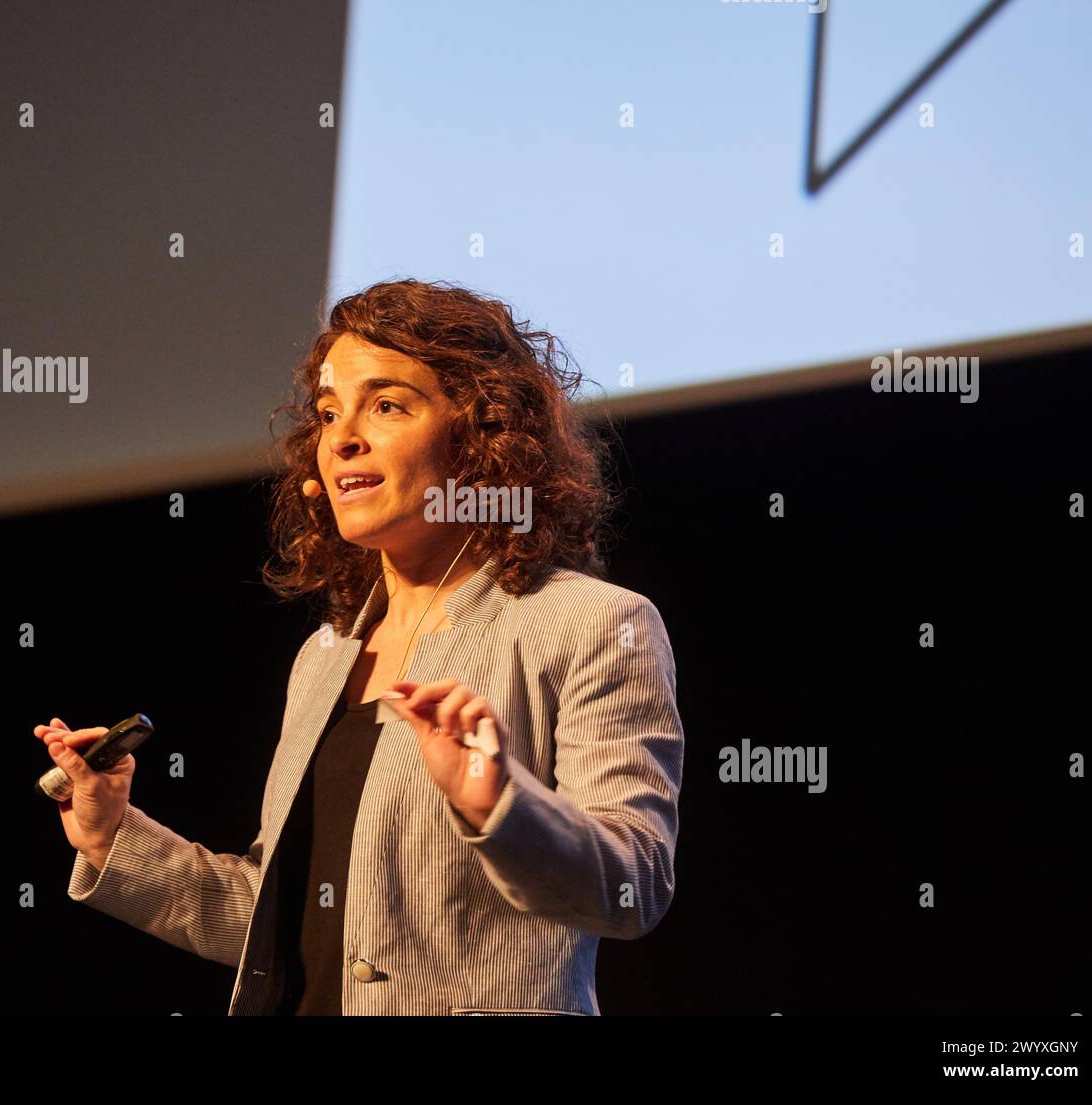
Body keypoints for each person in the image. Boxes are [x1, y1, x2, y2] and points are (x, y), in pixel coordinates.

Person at [36, 278, 684, 1015]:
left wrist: (502, 802)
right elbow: (281, 916)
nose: (342, 436)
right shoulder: (325, 656)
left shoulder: (592, 624)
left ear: (481, 433)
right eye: (328, 411)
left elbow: (635, 883)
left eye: (386, 404)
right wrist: (112, 834)